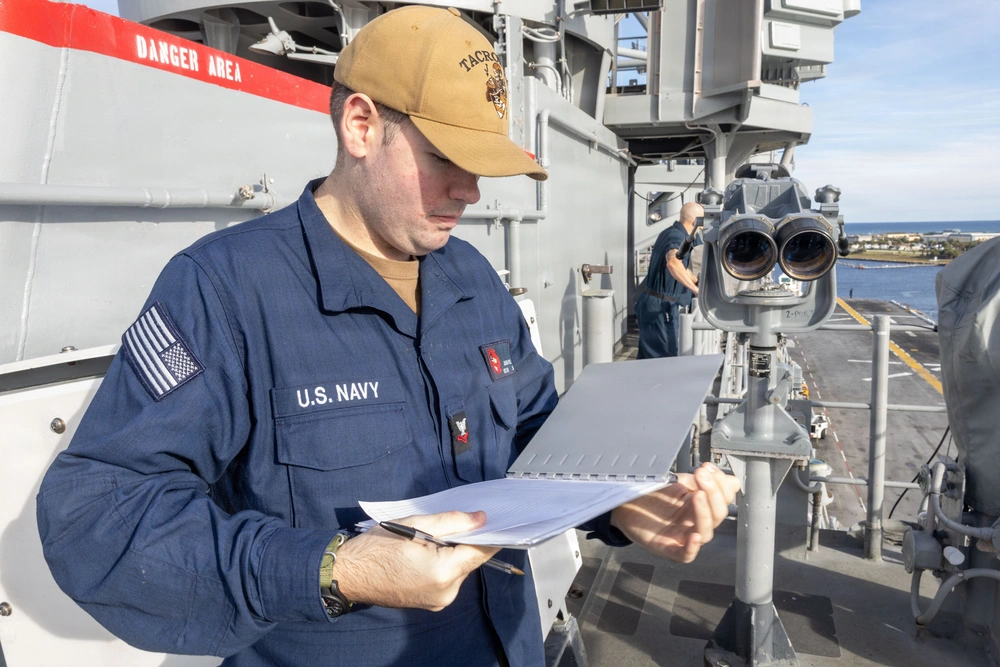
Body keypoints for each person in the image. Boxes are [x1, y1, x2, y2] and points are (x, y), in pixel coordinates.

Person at [36, 7, 740, 667]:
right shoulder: (225, 290)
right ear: (362, 126)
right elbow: (95, 514)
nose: (471, 191)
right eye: (446, 159)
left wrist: (624, 500)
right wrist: (337, 568)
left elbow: (535, 430)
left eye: (482, 164)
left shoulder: (469, 274)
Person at [636, 201, 704, 358]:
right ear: (696, 222)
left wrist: (693, 280)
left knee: (651, 358)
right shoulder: (676, 236)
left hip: (660, 305)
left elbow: (682, 266)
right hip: (661, 308)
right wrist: (697, 291)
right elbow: (673, 262)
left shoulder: (676, 233)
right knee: (662, 359)